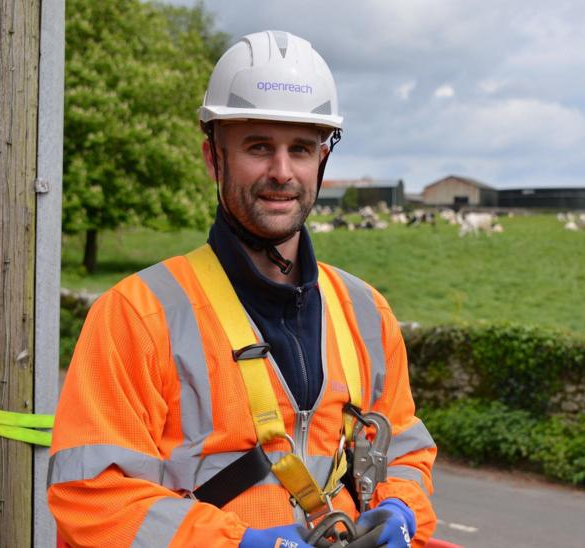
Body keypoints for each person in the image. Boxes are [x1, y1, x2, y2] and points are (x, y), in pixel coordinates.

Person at [47, 30, 437, 547]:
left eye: (300, 149)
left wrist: (400, 511)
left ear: (321, 159)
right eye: (258, 147)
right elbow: (91, 494)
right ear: (214, 157)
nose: (282, 172)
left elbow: (404, 449)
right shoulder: (136, 316)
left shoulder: (365, 312)